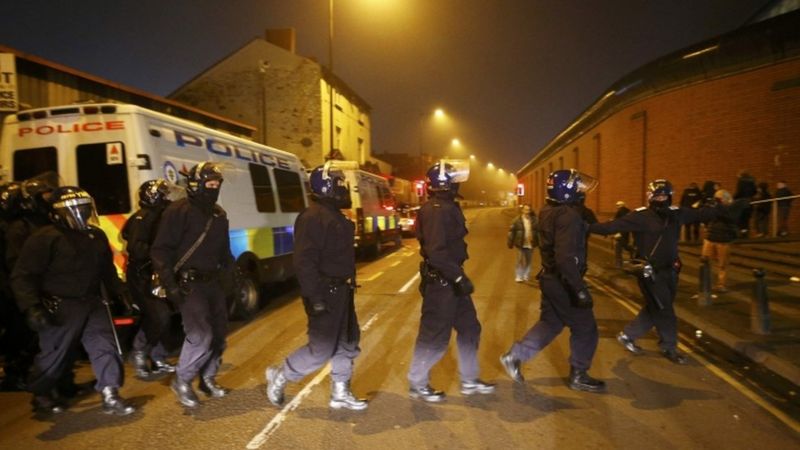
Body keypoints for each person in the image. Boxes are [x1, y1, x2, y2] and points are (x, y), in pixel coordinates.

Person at [11, 186, 135, 415]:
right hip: (61, 305)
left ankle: (110, 393)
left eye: (85, 208)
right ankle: (42, 394)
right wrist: (32, 307)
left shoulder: (95, 235)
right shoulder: (45, 238)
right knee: (55, 352)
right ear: (59, 213)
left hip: (93, 302)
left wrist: (122, 294)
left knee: (104, 346)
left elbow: (106, 271)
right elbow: (23, 275)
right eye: (75, 209)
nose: (82, 213)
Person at [265, 161, 368, 411]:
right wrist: (314, 297)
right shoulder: (312, 217)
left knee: (347, 342)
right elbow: (304, 261)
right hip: (324, 292)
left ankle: (340, 393)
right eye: (338, 183)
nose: (343, 188)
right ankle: (281, 375)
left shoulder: (336, 216)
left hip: (342, 291)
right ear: (325, 186)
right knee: (321, 349)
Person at [588, 179, 721, 365]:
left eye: (664, 195)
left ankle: (628, 335)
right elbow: (610, 227)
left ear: (669, 196)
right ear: (650, 197)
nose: (661, 199)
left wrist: (719, 206)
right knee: (665, 310)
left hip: (671, 270)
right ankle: (669, 347)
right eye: (657, 195)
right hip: (649, 273)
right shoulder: (640, 216)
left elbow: (700, 215)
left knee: (655, 307)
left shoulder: (677, 214)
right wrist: (584, 226)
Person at [500, 169, 605, 393]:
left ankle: (515, 356)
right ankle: (579, 375)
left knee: (551, 323)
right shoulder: (568, 216)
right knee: (586, 328)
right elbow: (566, 258)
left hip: (550, 278)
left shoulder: (548, 210)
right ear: (566, 192)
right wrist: (579, 289)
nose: (581, 191)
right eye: (577, 187)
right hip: (564, 281)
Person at [406, 160, 495, 402]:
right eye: (454, 179)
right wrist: (457, 277)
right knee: (434, 336)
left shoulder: (446, 206)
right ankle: (417, 382)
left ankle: (469, 380)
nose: (458, 183)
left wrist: (458, 277)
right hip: (442, 283)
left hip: (452, 281)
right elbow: (437, 252)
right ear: (445, 183)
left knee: (469, 328)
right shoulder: (436, 210)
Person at [151, 162, 235, 408]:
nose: (214, 188)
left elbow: (224, 252)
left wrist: (231, 277)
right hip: (188, 284)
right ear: (196, 184)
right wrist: (170, 284)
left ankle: (208, 380)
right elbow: (160, 250)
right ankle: (182, 380)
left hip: (213, 283)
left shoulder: (219, 215)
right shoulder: (178, 211)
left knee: (218, 335)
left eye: (217, 184)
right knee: (200, 335)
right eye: (210, 184)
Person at [121, 179, 176, 379]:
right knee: (158, 315)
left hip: (157, 273)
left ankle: (158, 357)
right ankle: (139, 352)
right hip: (141, 275)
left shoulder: (161, 216)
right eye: (163, 194)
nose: (167, 197)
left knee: (164, 315)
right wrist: (161, 251)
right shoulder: (142, 218)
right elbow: (136, 248)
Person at [702, 190, 749, 293]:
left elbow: (729, 216)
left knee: (722, 264)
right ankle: (705, 283)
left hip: (723, 239)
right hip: (710, 238)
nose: (717, 201)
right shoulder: (716, 208)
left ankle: (721, 284)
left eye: (718, 199)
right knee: (705, 262)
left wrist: (717, 206)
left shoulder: (731, 209)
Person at [507, 204, 538, 282]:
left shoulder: (535, 220)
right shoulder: (516, 220)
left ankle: (526, 275)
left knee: (528, 261)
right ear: (522, 210)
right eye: (525, 210)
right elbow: (511, 232)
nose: (527, 212)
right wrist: (510, 242)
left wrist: (540, 242)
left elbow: (538, 232)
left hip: (530, 243)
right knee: (519, 260)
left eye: (528, 210)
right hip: (520, 243)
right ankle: (519, 276)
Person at [734, 170, 757, 238]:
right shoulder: (752, 182)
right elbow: (754, 191)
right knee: (746, 219)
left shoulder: (741, 181)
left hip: (742, 202)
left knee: (740, 219)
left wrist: (734, 198)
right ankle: (745, 233)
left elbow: (739, 192)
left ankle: (741, 233)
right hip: (749, 202)